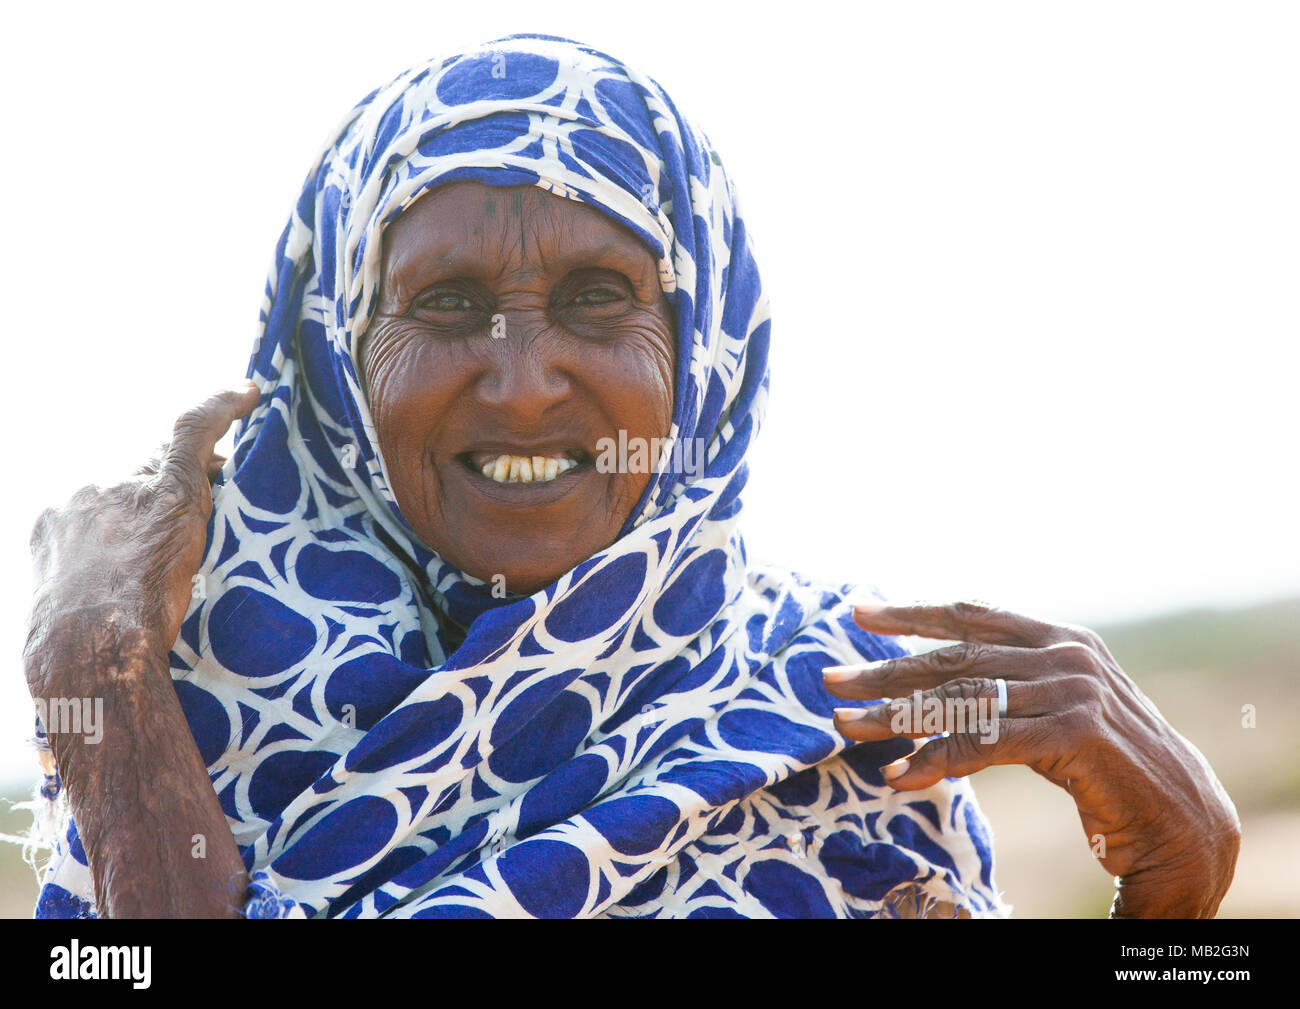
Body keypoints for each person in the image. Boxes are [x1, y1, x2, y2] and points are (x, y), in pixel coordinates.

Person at [22, 33, 1239, 918]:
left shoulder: (837, 716)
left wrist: (1177, 897)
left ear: (704, 348)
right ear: (337, 359)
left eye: (597, 297)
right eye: (445, 304)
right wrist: (102, 697)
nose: (520, 385)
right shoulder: (195, 689)